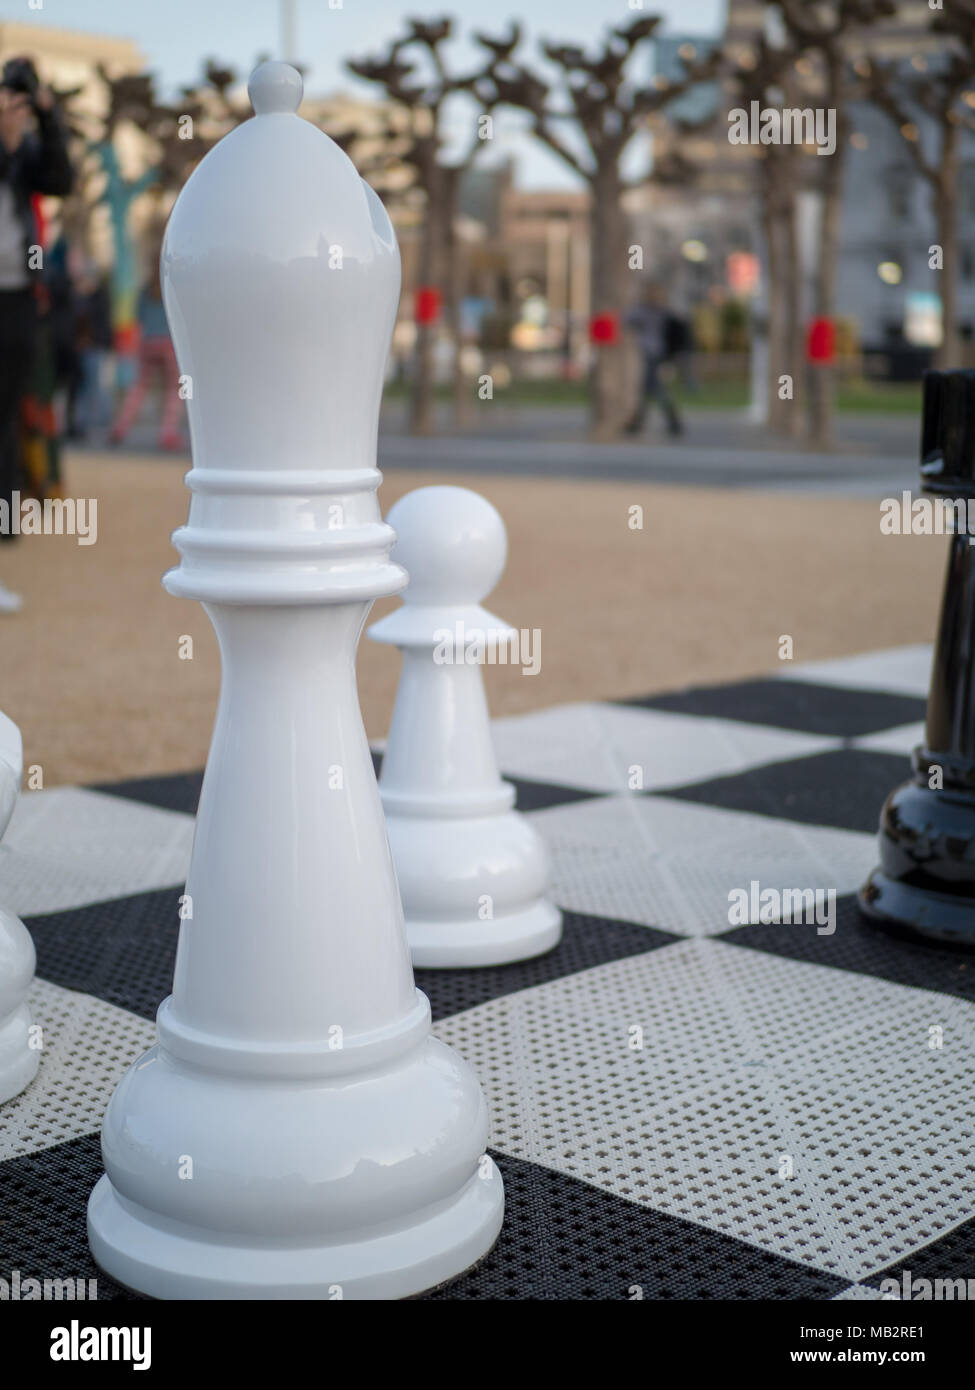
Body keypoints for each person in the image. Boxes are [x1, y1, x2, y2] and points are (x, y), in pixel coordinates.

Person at [0, 56, 72, 611]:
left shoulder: (27, 157)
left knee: (7, 415)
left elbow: (61, 179)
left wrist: (46, 116)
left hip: (19, 299)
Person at [109, 264, 183, 451]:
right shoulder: (173, 287)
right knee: (174, 390)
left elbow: (137, 318)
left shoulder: (144, 290)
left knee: (139, 388)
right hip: (169, 342)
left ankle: (121, 427)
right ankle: (168, 433)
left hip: (148, 342)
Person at [624, 283, 685, 439]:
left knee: (652, 387)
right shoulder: (662, 311)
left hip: (650, 352)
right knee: (650, 387)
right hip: (659, 351)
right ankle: (642, 420)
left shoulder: (644, 311)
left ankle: (640, 420)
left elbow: (627, 319)